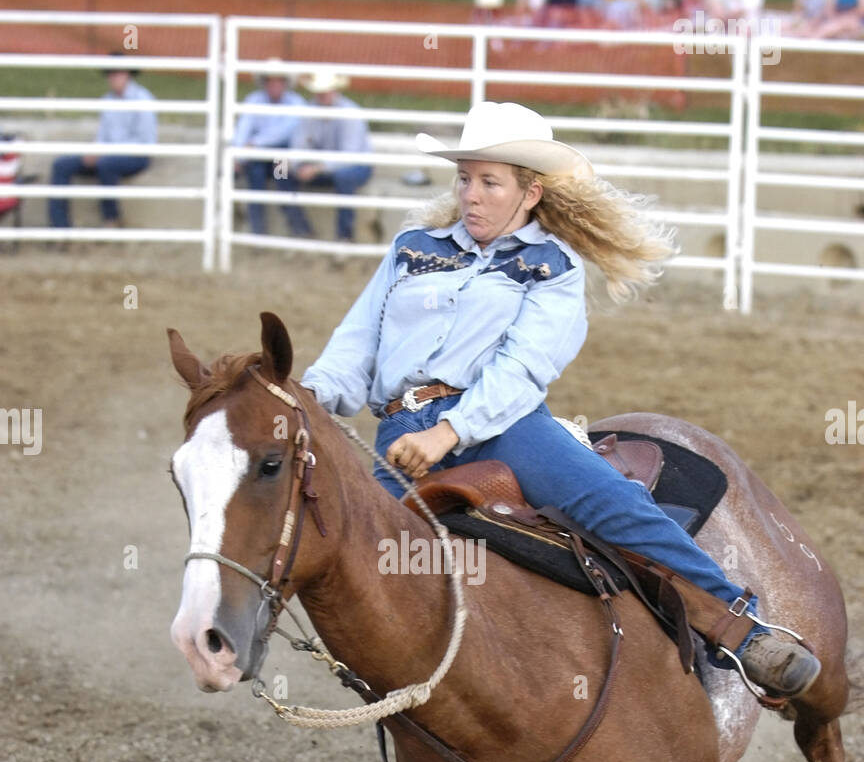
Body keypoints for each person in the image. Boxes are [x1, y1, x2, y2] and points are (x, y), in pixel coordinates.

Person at [299, 101, 821, 700]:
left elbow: (523, 367)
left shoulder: (552, 266)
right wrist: (309, 395)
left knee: (610, 503)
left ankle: (741, 629)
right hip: (398, 431)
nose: (471, 195)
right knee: (343, 543)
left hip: (504, 426)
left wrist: (450, 432)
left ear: (530, 192)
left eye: (490, 182)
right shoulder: (413, 248)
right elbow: (356, 341)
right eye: (465, 178)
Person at [48, 55, 157, 230]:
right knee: (61, 165)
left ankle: (112, 219)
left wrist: (106, 151)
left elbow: (146, 142)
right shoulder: (107, 101)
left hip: (135, 156)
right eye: (110, 74)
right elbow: (103, 136)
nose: (113, 78)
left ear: (128, 74)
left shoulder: (143, 99)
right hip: (108, 154)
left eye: (117, 73)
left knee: (107, 164)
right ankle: (60, 228)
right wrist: (95, 150)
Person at [288, 72, 372, 242]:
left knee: (344, 177)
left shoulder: (350, 113)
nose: (322, 95)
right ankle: (301, 230)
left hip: (356, 166)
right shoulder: (309, 111)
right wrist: (295, 164)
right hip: (322, 166)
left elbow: (350, 156)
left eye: (325, 91)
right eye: (319, 91)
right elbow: (299, 143)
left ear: (335, 91)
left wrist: (317, 167)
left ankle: (344, 237)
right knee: (280, 170)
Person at [232, 63, 308, 236]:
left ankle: (299, 227)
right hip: (258, 155)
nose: (274, 86)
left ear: (284, 83)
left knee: (283, 180)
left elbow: (283, 132)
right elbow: (243, 127)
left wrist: (254, 144)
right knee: (255, 178)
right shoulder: (254, 100)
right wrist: (239, 154)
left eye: (278, 81)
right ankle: (257, 230)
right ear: (265, 83)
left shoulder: (296, 103)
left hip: (281, 155)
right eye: (270, 81)